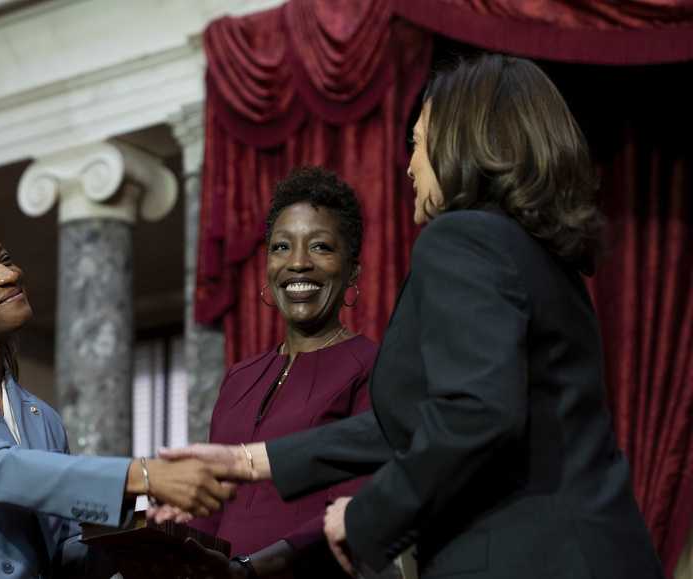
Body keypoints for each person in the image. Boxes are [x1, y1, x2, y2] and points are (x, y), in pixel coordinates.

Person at [163, 54, 665, 579]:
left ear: (460, 144)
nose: (409, 166)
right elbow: (431, 419)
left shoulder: (461, 238)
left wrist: (365, 517)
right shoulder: (544, 257)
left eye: (419, 143)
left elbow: (475, 416)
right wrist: (250, 461)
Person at [0, 219, 233, 579]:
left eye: (5, 259)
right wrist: (145, 476)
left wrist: (136, 527)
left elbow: (63, 553)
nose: (10, 274)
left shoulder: (42, 418)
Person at [152, 167, 383, 578]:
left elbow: (354, 506)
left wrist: (250, 569)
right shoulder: (239, 377)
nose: (297, 263)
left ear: (353, 271)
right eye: (280, 247)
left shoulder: (373, 366)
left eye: (320, 247)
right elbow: (211, 510)